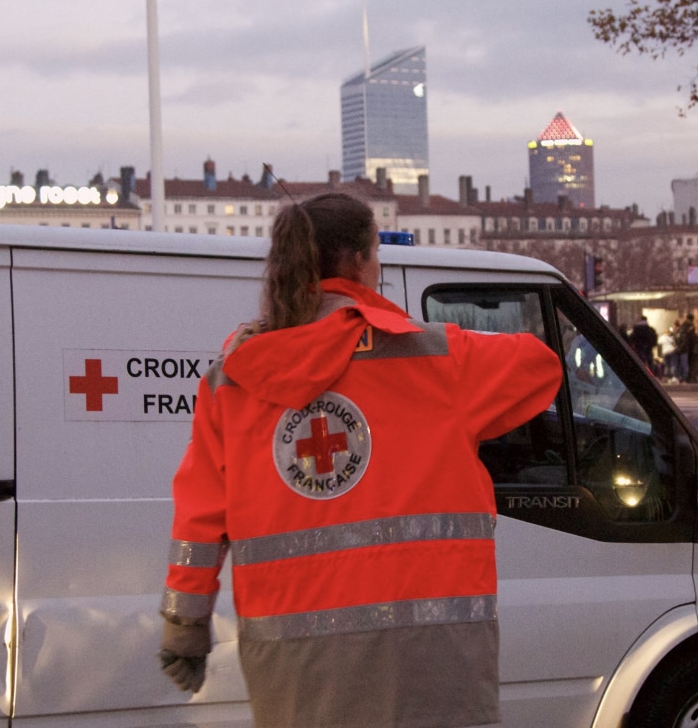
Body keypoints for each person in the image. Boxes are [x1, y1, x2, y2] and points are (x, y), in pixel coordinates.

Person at [158, 193, 564, 728]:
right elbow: (541, 365)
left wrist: (185, 627)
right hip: (431, 659)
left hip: (293, 666)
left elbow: (199, 518)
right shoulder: (437, 359)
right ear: (359, 261)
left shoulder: (231, 378)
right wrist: (431, 335)